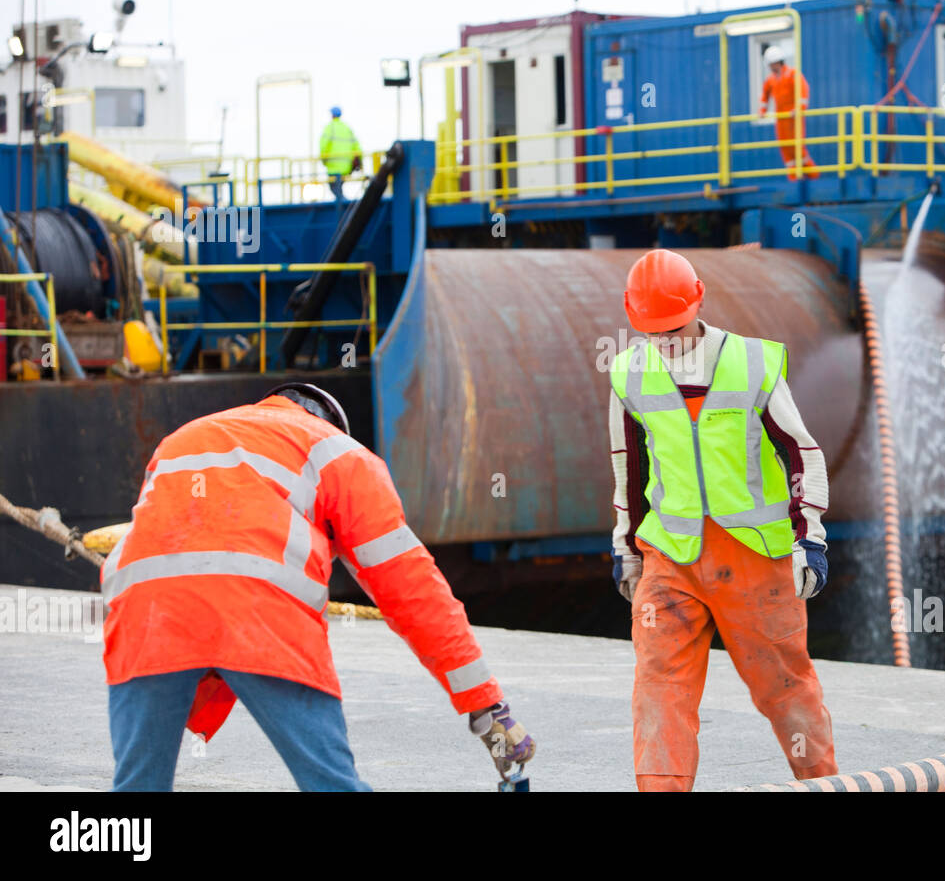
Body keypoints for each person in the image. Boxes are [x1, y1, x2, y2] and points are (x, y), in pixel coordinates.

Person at [101, 382, 534, 790]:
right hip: (263, 618)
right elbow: (413, 588)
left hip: (143, 615)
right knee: (330, 783)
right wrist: (485, 706)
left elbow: (182, 551)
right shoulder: (340, 453)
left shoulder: (184, 438)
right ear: (331, 421)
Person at [607, 249, 836, 791]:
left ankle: (823, 784)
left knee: (786, 688)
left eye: (676, 327)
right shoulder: (629, 373)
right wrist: (627, 550)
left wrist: (811, 538)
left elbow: (801, 453)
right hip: (670, 559)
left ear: (700, 300)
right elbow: (628, 469)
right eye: (655, 331)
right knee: (660, 687)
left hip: (756, 558)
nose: (667, 340)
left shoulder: (753, 363)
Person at [756, 46, 820, 179]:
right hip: (781, 120)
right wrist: (762, 111)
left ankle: (814, 177)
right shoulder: (770, 80)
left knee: (799, 150)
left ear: (780, 61)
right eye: (770, 64)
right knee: (786, 152)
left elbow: (803, 90)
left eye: (774, 63)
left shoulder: (792, 74)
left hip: (794, 118)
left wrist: (799, 109)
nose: (772, 67)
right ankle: (795, 182)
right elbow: (764, 97)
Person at [320, 107, 361, 200]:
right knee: (339, 187)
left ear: (332, 115)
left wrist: (323, 160)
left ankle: (343, 203)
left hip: (333, 166)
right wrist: (359, 161)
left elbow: (324, 146)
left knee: (333, 187)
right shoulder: (347, 128)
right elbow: (357, 146)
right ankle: (343, 201)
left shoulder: (330, 127)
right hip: (347, 166)